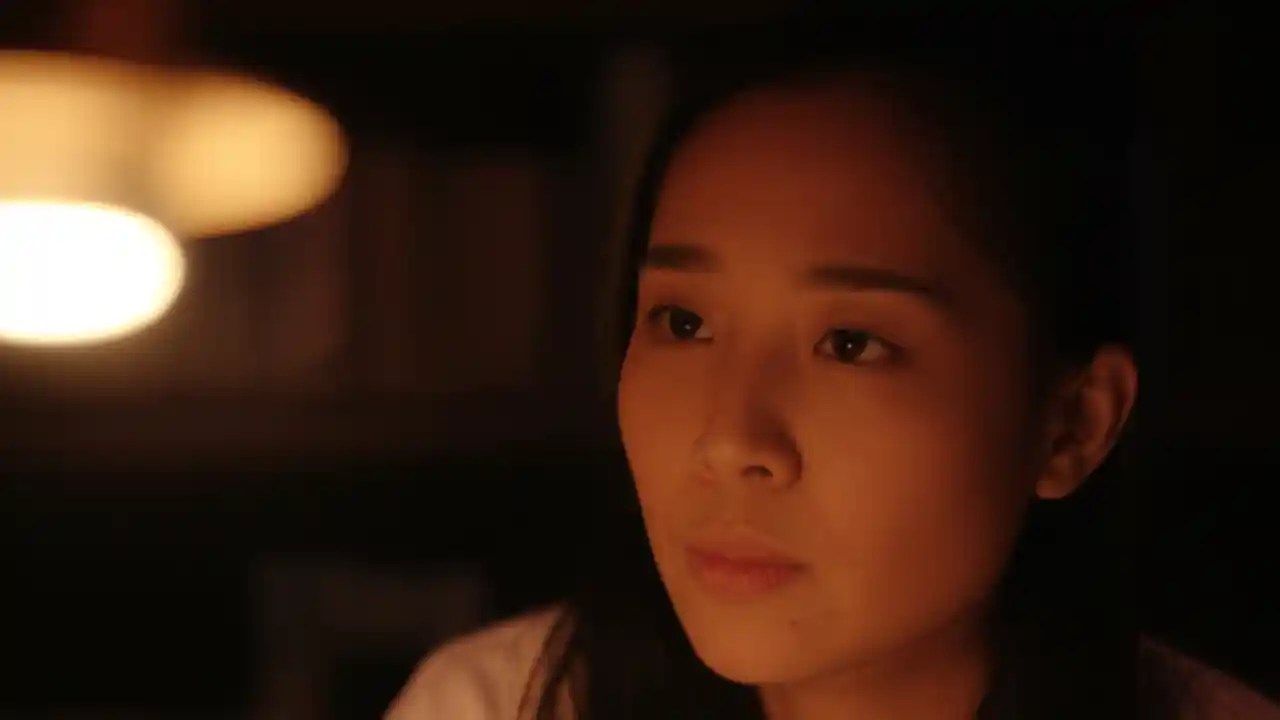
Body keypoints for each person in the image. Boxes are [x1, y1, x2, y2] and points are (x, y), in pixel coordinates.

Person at [386, 25, 1280, 720]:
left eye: (852, 343)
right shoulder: (498, 703)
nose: (732, 439)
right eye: (684, 322)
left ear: (1072, 424)